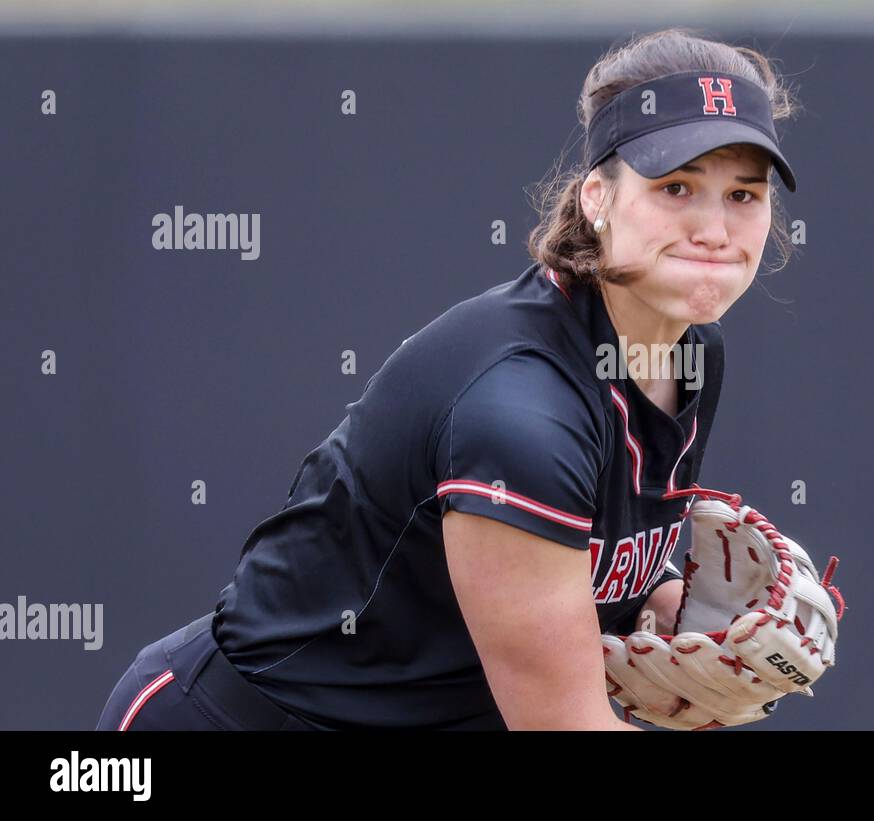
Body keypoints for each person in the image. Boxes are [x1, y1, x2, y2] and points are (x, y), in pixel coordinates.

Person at [94, 26, 801, 731]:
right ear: (597, 197)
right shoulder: (520, 408)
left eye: (743, 195)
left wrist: (661, 599)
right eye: (676, 186)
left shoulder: (690, 352)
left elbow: (599, 567)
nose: (715, 229)